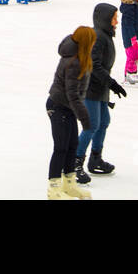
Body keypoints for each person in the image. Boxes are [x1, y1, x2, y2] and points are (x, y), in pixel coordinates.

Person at [74, 3, 125, 185]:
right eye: (113, 18)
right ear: (105, 19)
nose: (116, 21)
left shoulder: (105, 36)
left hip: (101, 88)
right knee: (91, 125)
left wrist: (109, 85)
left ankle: (95, 158)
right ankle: (75, 162)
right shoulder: (98, 37)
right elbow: (94, 64)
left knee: (103, 122)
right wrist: (111, 83)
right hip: (90, 89)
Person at [46, 25, 95, 200]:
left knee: (72, 145)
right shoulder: (74, 61)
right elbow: (72, 94)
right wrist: (85, 118)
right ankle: (53, 188)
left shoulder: (80, 57)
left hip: (67, 107)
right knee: (61, 147)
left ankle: (69, 184)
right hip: (58, 106)